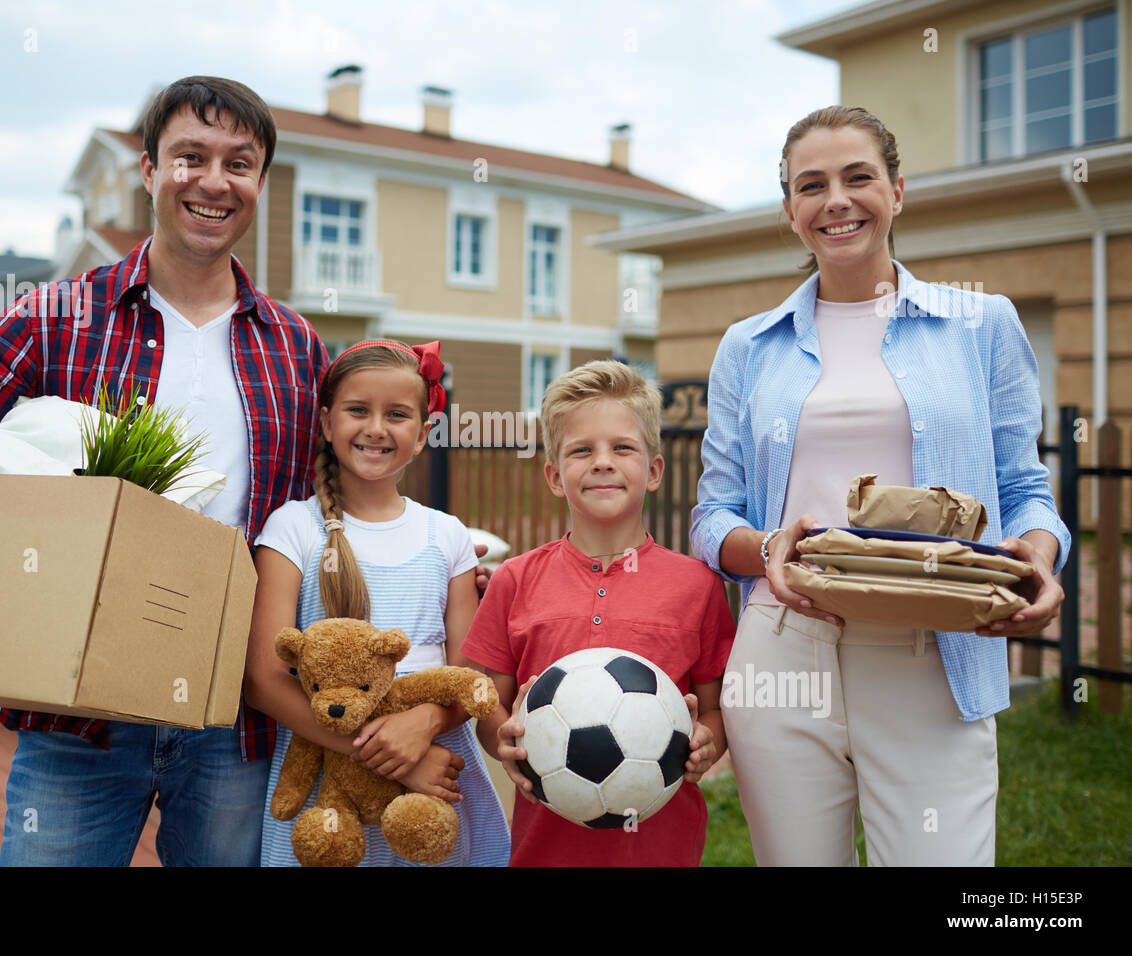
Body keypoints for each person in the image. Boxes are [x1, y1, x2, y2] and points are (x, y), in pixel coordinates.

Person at [0, 76, 331, 866]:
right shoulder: (55, 317)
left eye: (239, 163)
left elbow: (329, 511)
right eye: (189, 157)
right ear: (146, 169)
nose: (213, 181)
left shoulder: (298, 348)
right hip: (77, 716)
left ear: (261, 184)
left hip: (235, 717)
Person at [693, 105, 1069, 866]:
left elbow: (1027, 488)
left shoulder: (982, 325)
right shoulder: (748, 346)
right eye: (812, 185)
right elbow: (711, 514)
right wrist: (766, 545)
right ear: (791, 211)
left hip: (935, 642)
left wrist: (1037, 561)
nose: (836, 199)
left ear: (898, 191)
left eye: (858, 177)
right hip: (784, 646)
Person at [245, 339, 510, 866]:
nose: (376, 428)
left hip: (435, 770)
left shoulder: (447, 535)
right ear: (325, 422)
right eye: (357, 410)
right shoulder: (293, 528)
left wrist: (426, 726)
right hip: (329, 772)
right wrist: (392, 758)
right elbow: (262, 679)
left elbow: (469, 672)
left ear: (422, 434)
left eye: (397, 414)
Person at [463, 360, 736, 866]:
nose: (603, 462)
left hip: (661, 849)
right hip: (543, 849)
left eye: (623, 448)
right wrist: (503, 736)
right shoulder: (514, 580)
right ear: (554, 476)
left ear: (654, 471)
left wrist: (706, 742)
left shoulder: (697, 586)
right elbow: (489, 707)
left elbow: (717, 710)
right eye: (581, 450)